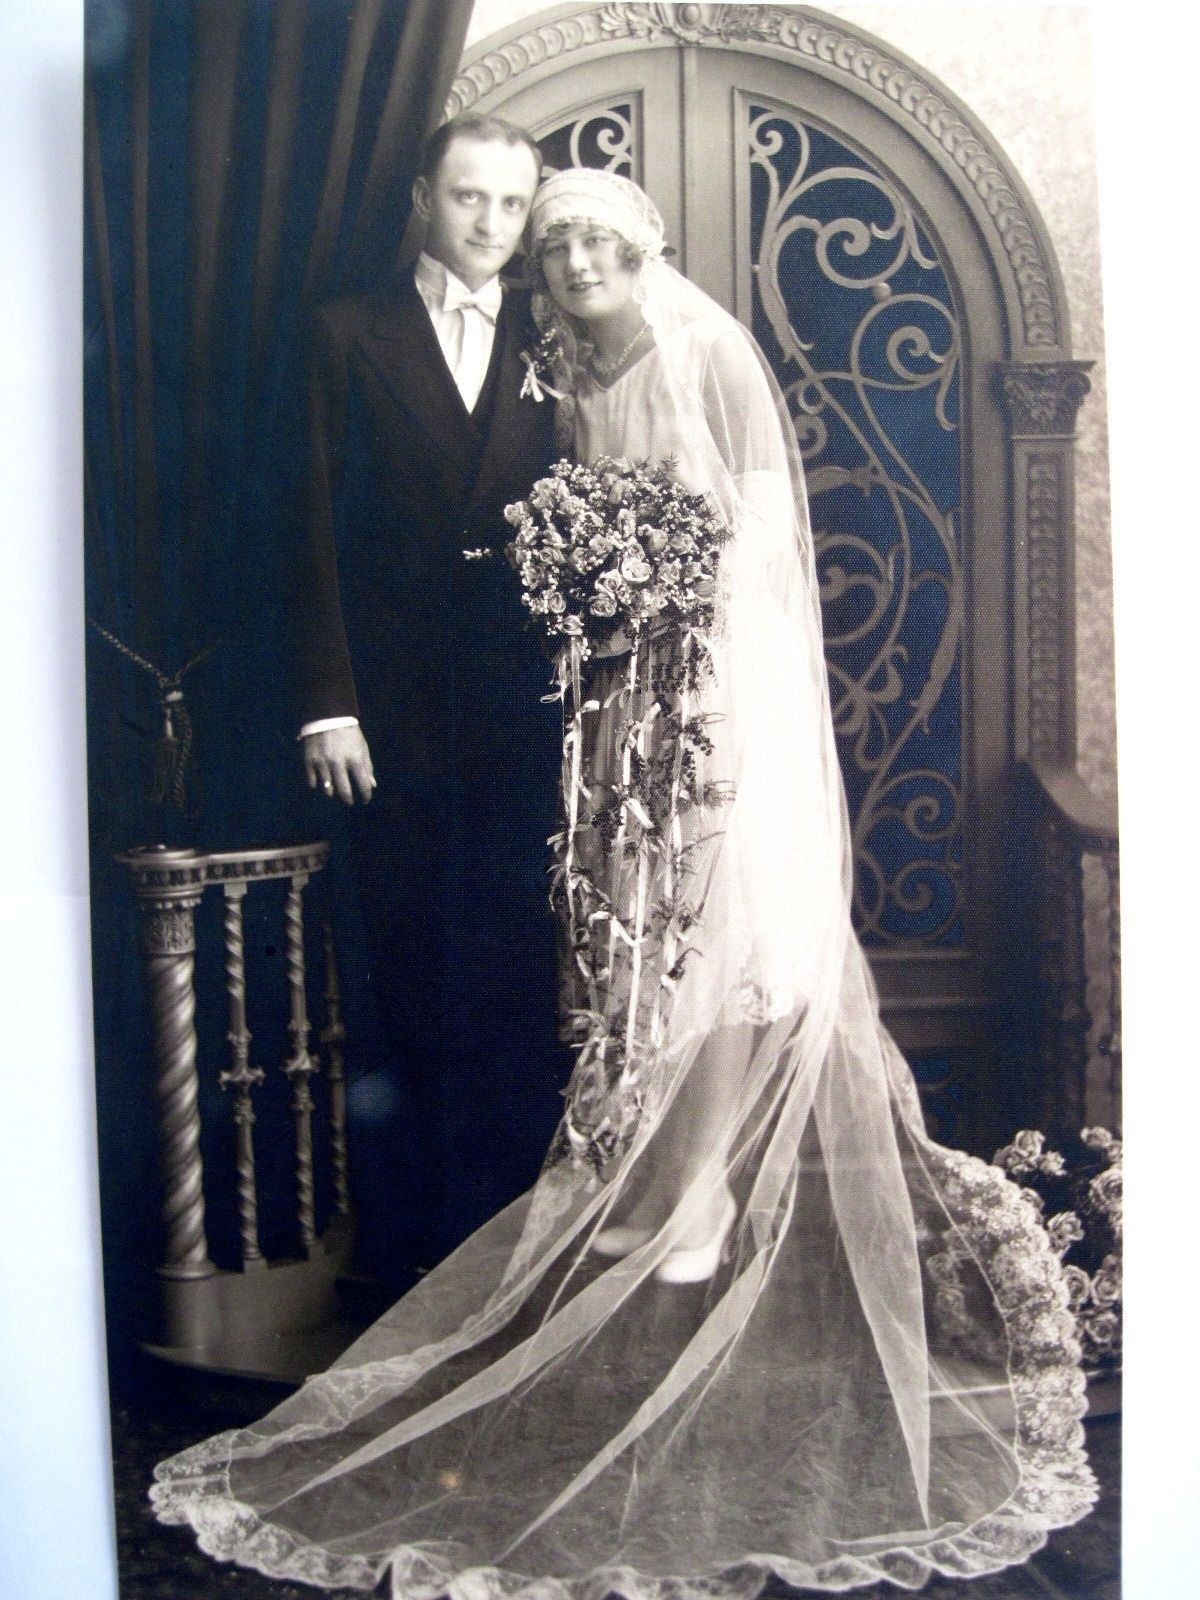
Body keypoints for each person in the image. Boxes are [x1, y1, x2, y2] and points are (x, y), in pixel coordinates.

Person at [152, 168, 1097, 1594]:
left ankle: (700, 1183)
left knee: (719, 925)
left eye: (602, 237)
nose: (579, 257)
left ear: (651, 245)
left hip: (706, 689)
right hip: (594, 699)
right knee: (627, 928)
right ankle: (633, 1168)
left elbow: (766, 541)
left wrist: (663, 619)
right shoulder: (554, 370)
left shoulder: (706, 350)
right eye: (558, 242)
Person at [290, 114, 567, 1265]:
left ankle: (507, 1256)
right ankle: (408, 1262)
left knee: (514, 974)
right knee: (402, 972)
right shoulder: (344, 334)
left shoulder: (556, 333)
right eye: (468, 198)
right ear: (422, 195)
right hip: (388, 717)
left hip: (523, 715)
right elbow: (299, 531)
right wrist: (327, 701)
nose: (490, 225)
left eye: (511, 205)